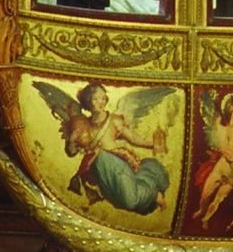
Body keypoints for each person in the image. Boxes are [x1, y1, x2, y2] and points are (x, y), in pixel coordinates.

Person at [63, 83, 171, 213]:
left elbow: (131, 137)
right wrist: (72, 140)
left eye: (103, 98)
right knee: (119, 203)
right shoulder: (84, 125)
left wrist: (152, 144)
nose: (100, 102)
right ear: (88, 101)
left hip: (115, 162)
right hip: (98, 170)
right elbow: (71, 152)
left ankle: (154, 194)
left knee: (130, 201)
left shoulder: (113, 119)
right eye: (95, 99)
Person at [192, 94, 233, 227]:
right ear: (230, 114)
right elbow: (224, 148)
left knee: (218, 200)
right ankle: (202, 210)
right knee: (206, 195)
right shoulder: (224, 130)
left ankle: (206, 219)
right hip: (220, 170)